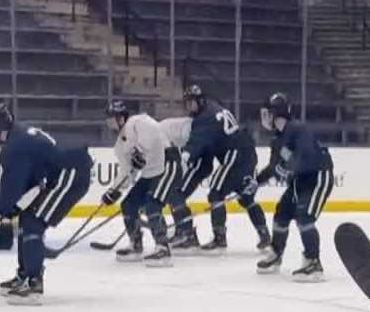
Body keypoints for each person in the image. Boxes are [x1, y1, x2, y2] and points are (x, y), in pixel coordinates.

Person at [0, 102, 93, 305]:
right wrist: (7, 210)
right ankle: (25, 274)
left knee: (33, 222)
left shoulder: (14, 147)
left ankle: (34, 284)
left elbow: (14, 185)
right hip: (63, 172)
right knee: (26, 218)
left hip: (71, 174)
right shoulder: (19, 136)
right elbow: (27, 181)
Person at [249, 93, 334, 281]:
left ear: (277, 113)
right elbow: (274, 166)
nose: (265, 118)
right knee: (282, 213)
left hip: (317, 178)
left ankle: (314, 263)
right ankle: (276, 254)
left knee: (304, 217)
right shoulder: (277, 139)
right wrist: (257, 182)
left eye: (267, 113)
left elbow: (305, 156)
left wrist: (287, 167)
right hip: (299, 181)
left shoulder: (298, 129)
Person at [181, 85, 271, 254]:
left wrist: (185, 156)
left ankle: (219, 238)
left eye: (191, 102)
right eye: (186, 103)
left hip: (234, 155)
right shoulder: (213, 106)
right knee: (246, 197)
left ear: (200, 101)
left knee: (215, 193)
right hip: (247, 153)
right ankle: (264, 235)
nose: (188, 107)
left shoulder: (204, 117)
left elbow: (197, 141)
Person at [101, 100, 179, 267]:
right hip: (150, 173)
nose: (110, 124)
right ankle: (135, 244)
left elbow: (154, 132)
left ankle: (163, 248)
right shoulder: (120, 146)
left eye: (112, 119)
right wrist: (114, 190)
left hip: (168, 165)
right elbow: (127, 171)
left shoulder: (138, 122)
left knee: (152, 205)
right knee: (128, 204)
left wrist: (141, 152)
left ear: (122, 118)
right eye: (108, 121)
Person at [157, 115, 201, 254]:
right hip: (189, 156)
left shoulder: (157, 134)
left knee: (175, 193)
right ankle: (183, 232)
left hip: (194, 158)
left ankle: (187, 234)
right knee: (174, 194)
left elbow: (172, 156)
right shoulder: (160, 130)